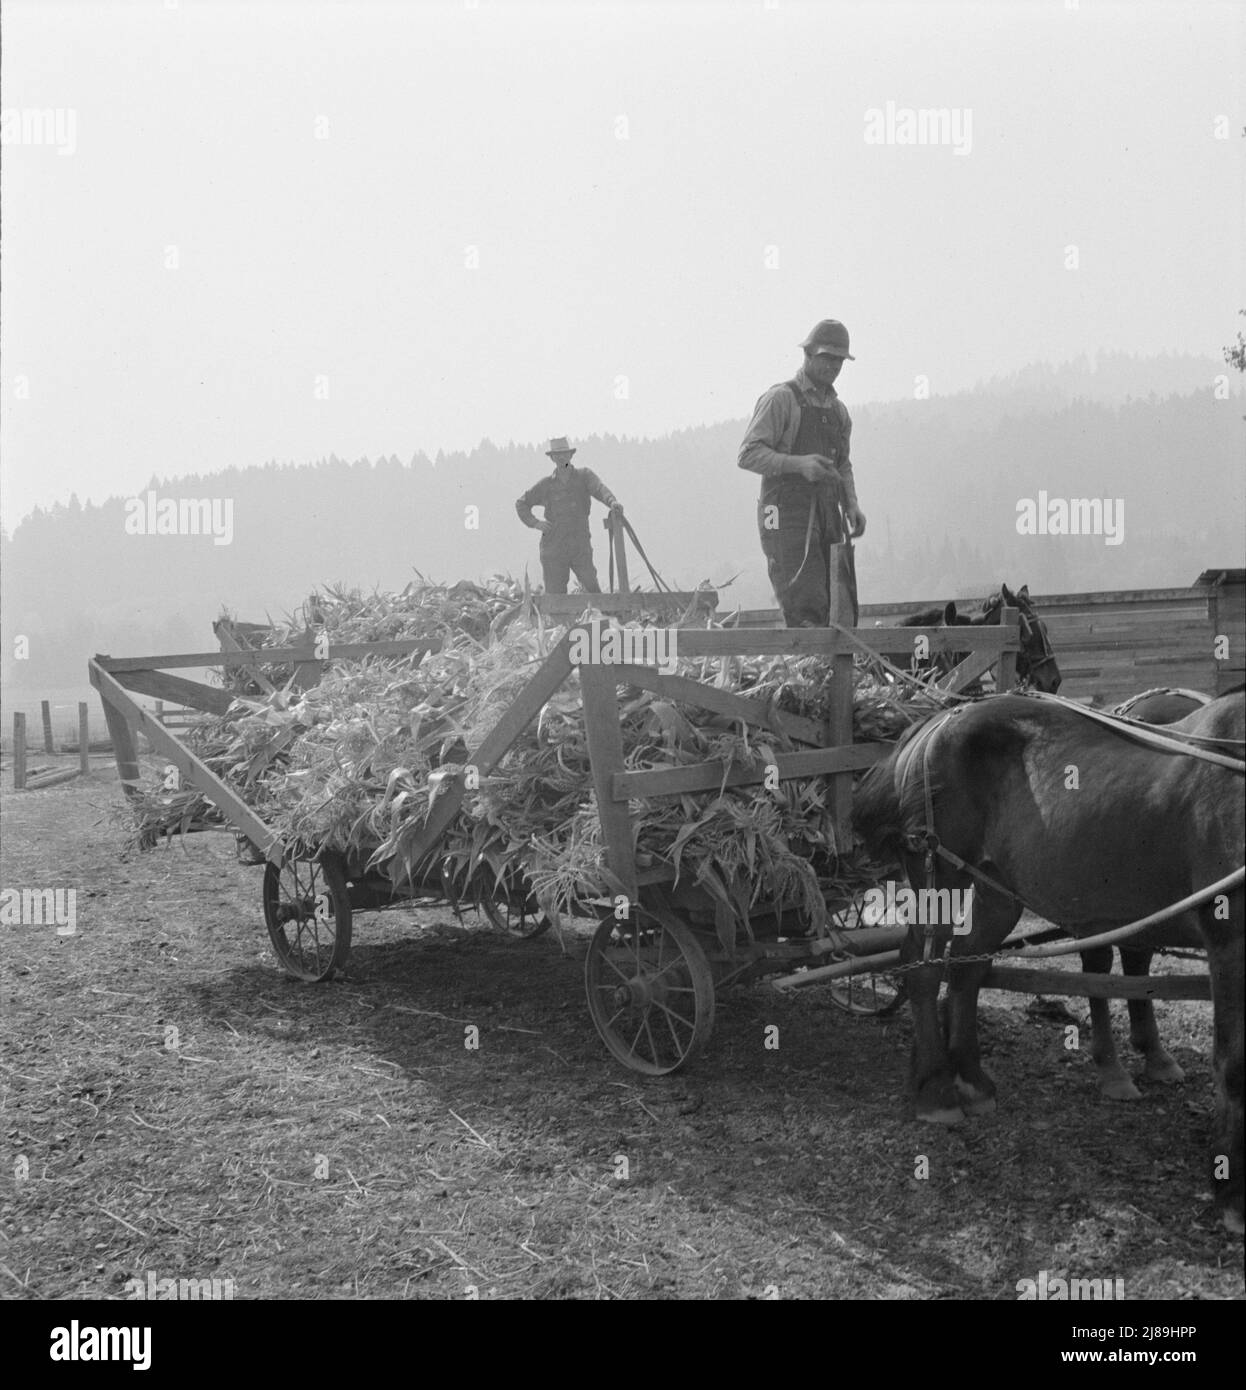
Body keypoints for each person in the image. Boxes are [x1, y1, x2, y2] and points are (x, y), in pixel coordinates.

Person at [738, 319, 867, 627]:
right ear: (808, 355)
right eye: (827, 357)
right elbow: (748, 454)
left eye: (839, 360)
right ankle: (808, 670)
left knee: (840, 604)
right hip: (781, 514)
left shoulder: (839, 412)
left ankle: (836, 672)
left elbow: (843, 464)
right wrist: (799, 464)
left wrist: (851, 504)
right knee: (805, 604)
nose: (834, 366)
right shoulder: (781, 399)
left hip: (827, 512)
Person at [515, 437, 623, 594]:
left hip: (580, 545)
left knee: (593, 592)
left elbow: (599, 489)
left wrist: (612, 502)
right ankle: (561, 620)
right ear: (552, 458)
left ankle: (597, 620)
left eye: (564, 454)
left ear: (570, 455)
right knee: (555, 599)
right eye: (557, 455)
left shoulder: (584, 476)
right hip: (553, 548)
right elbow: (521, 503)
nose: (561, 458)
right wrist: (536, 523)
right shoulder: (546, 485)